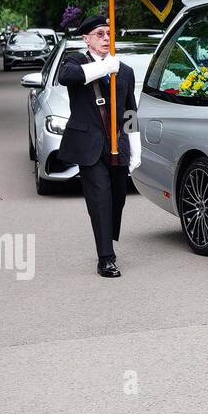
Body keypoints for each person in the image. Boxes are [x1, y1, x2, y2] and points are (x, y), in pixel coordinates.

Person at [56, 14, 139, 278]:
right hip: (89, 146)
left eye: (109, 33)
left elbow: (130, 111)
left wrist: (136, 146)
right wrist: (104, 69)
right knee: (100, 199)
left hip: (117, 145)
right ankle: (106, 258)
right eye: (100, 34)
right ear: (86, 39)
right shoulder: (76, 62)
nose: (106, 38)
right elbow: (66, 77)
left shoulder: (124, 70)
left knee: (118, 199)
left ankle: (107, 237)